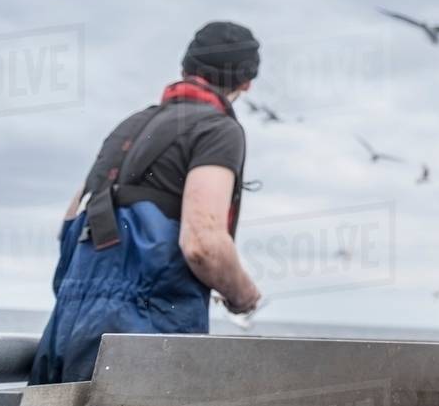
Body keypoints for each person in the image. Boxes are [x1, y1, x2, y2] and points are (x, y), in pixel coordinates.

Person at [28, 21, 263, 385]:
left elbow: (71, 223)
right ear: (246, 83)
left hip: (65, 330)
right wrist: (243, 295)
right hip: (144, 340)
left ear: (186, 69)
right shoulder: (218, 131)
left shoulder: (128, 128)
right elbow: (202, 243)